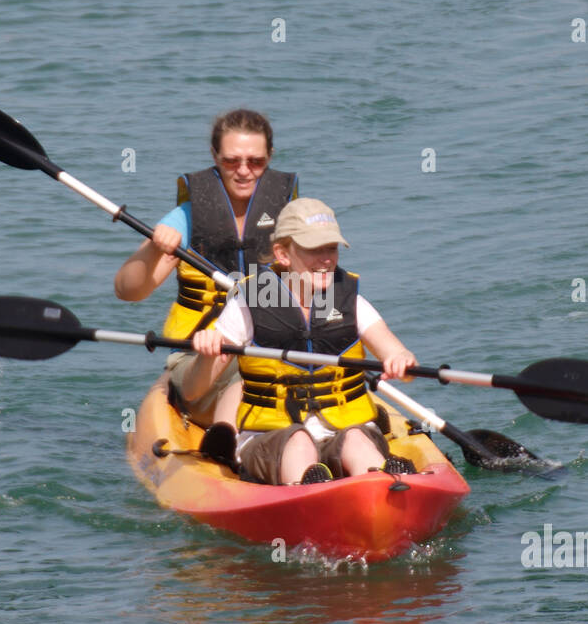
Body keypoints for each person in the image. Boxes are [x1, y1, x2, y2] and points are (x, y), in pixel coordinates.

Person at [185, 198, 425, 485]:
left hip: (343, 430)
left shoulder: (352, 301)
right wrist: (208, 354)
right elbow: (192, 390)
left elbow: (395, 351)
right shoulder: (247, 305)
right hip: (271, 438)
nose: (326, 258)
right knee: (298, 441)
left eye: (331, 248)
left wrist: (401, 360)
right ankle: (308, 488)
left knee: (357, 439)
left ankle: (388, 485)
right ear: (282, 254)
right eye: (314, 249)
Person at [113, 109, 297, 425]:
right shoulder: (188, 216)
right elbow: (128, 290)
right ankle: (227, 440)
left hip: (272, 348)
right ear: (215, 156)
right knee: (250, 378)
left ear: (269, 157)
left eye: (255, 161)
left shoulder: (292, 215)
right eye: (231, 161)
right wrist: (156, 250)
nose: (243, 171)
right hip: (203, 352)